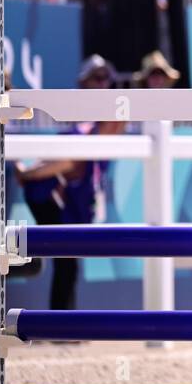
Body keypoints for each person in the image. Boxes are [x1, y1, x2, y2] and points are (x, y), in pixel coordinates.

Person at [13, 55, 122, 311]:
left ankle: (62, 324)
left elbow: (68, 162)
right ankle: (61, 325)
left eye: (106, 79)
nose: (103, 84)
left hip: (65, 198)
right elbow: (65, 163)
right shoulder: (85, 125)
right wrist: (28, 173)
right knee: (65, 259)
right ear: (84, 83)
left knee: (67, 260)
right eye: (97, 78)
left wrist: (28, 173)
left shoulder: (107, 121)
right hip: (49, 196)